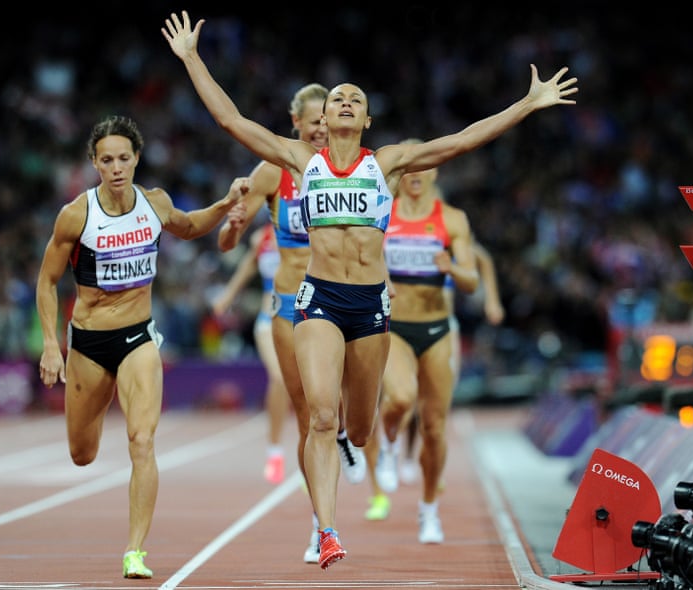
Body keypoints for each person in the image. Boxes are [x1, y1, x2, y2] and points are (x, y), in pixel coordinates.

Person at [163, 10, 578, 568]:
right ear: (324, 116)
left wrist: (526, 105)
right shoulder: (299, 160)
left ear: (367, 118)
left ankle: (360, 447)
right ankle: (328, 531)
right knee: (321, 416)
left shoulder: (385, 164)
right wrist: (192, 58)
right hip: (319, 301)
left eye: (354, 98)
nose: (344, 102)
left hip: (371, 305)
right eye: (337, 98)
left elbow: (460, 141)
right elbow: (231, 121)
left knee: (359, 429)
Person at [36, 115, 248, 579]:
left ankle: (135, 551)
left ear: (137, 159)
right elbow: (47, 281)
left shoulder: (154, 203)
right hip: (89, 344)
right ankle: (90, 418)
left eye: (124, 158)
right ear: (94, 162)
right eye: (107, 159)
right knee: (82, 453)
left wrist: (226, 202)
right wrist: (53, 344)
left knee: (142, 440)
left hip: (137, 338)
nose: (116, 167)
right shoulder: (76, 214)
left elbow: (190, 226)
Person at [212, 82, 366, 564]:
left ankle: (343, 433)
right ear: (296, 123)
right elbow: (225, 243)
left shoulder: (347, 167)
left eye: (327, 120)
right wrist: (233, 225)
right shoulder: (274, 170)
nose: (323, 128)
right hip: (288, 302)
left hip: (341, 295)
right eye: (314, 121)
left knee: (342, 408)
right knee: (307, 413)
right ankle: (321, 524)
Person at [362, 155, 505, 546]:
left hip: (439, 329)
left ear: (434, 172)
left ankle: (429, 512)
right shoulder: (382, 213)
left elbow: (472, 279)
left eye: (423, 169)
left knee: (434, 427)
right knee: (400, 398)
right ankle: (389, 445)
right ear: (399, 175)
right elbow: (363, 255)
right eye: (408, 170)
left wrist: (451, 268)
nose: (415, 176)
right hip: (396, 327)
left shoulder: (453, 218)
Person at [393, 238, 506, 491]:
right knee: (408, 397)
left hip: (444, 329)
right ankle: (406, 455)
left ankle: (433, 463)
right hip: (408, 327)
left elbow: (483, 258)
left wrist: (492, 300)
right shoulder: (405, 239)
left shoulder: (451, 238)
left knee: (437, 401)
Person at [211, 222, 290, 485]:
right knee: (279, 379)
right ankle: (275, 451)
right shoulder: (262, 238)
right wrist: (227, 296)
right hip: (269, 318)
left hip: (303, 318)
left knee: (308, 389)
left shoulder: (310, 227)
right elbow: (246, 268)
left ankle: (311, 451)